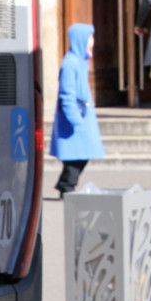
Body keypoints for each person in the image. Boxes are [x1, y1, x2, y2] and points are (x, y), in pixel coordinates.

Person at [50, 22, 105, 195]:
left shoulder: (80, 62)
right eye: (90, 38)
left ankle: (66, 185)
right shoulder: (70, 63)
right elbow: (67, 95)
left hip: (81, 117)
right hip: (75, 120)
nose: (92, 42)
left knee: (81, 155)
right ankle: (66, 186)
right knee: (76, 156)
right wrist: (75, 120)